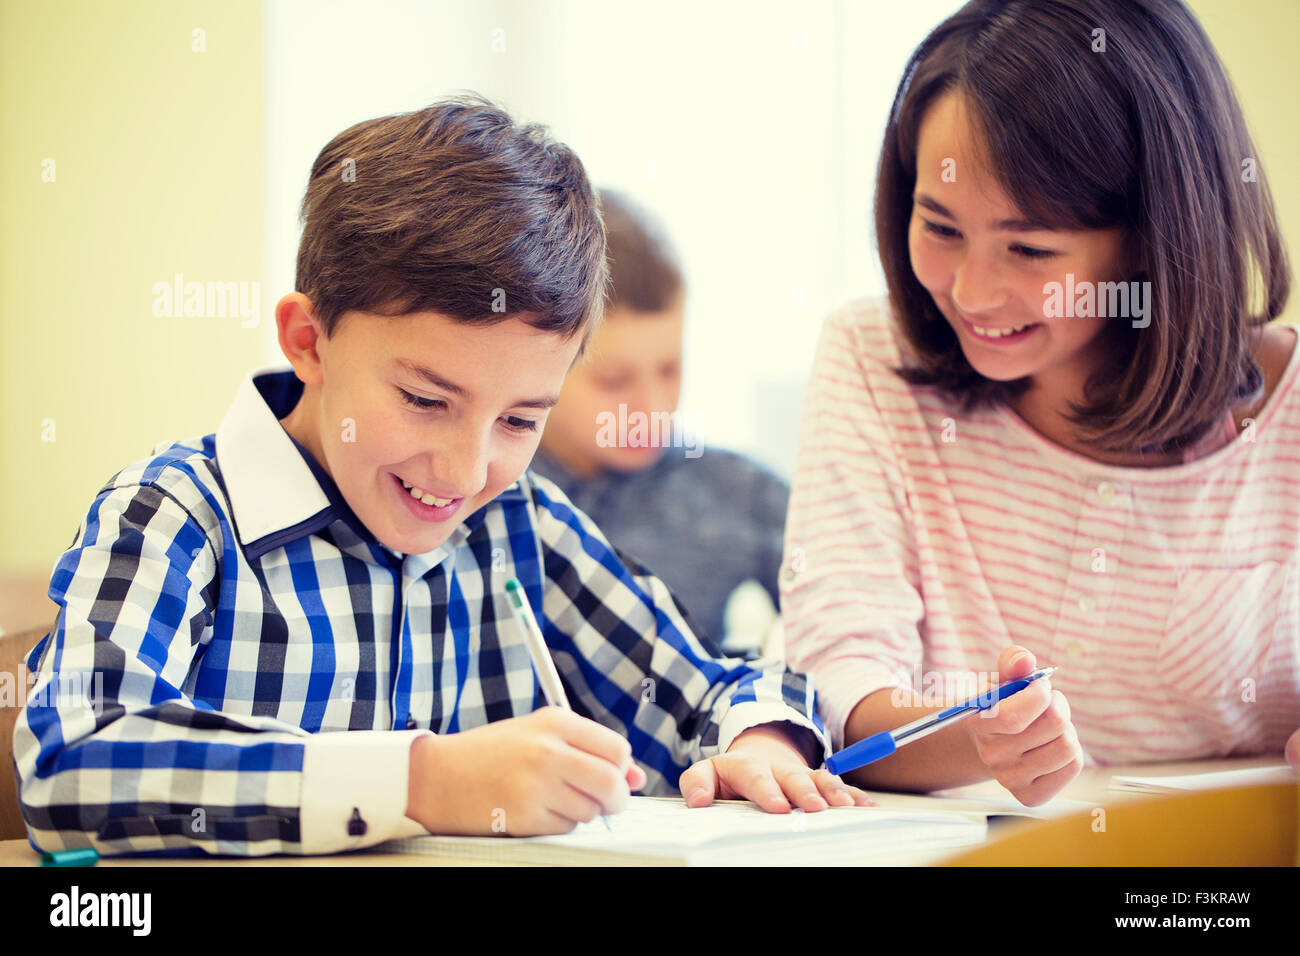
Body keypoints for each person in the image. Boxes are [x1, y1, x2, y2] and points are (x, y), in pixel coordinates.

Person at [15, 95, 871, 857]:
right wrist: (418, 781)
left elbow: (712, 689)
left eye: (521, 420)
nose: (466, 472)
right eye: (426, 400)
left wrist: (762, 745)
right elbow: (69, 765)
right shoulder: (175, 517)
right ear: (309, 341)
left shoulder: (516, 522)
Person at [781, 0, 1300, 807]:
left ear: (1154, 235)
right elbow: (838, 695)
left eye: (1029, 248)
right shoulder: (870, 357)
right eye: (940, 226)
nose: (972, 292)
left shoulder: (1285, 414)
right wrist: (982, 740)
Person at [531, 189, 788, 652]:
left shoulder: (738, 492)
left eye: (670, 370)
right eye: (613, 380)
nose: (652, 409)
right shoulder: (482, 489)